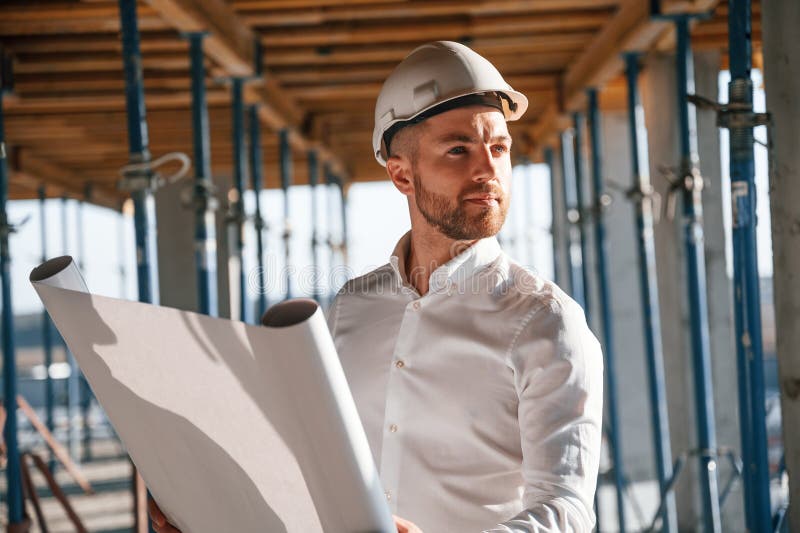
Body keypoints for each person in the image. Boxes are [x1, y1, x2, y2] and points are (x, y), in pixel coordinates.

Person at [151, 40, 603, 533]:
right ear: (401, 174)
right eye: (459, 149)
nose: (488, 170)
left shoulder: (545, 321)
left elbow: (565, 510)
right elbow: (312, 471)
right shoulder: (352, 307)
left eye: (499, 147)